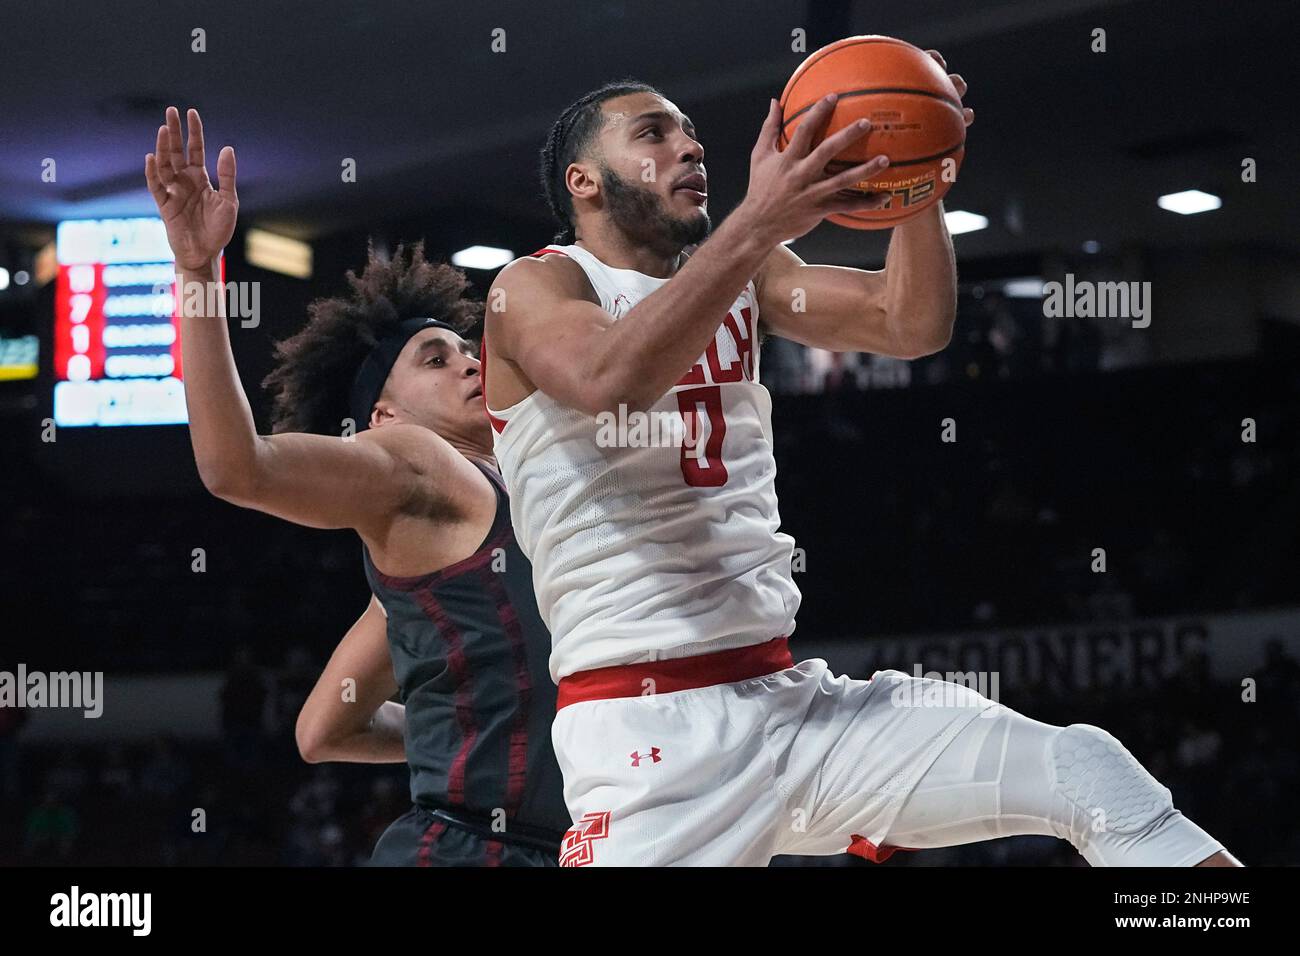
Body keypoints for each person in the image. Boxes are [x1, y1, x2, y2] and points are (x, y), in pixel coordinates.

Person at [480, 64, 1240, 866]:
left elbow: (909, 321)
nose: (690, 146)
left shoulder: (745, 273)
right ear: (584, 182)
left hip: (793, 705)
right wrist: (760, 219)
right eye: (653, 133)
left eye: (690, 131)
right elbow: (608, 379)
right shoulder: (535, 285)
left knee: (1087, 771)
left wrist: (918, 183)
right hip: (647, 737)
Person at [144, 107, 567, 865]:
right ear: (384, 416)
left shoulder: (433, 570)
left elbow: (322, 730)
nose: (473, 363)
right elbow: (236, 468)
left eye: (469, 350)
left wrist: (452, 734)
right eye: (437, 359)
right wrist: (198, 274)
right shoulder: (416, 459)